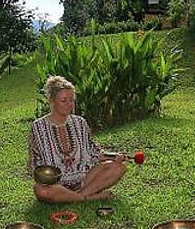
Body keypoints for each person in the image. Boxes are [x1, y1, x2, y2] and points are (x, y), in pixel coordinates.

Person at [28, 75, 126, 203]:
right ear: (51, 100)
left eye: (72, 100)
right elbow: (34, 162)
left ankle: (77, 197)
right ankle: (87, 197)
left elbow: (94, 152)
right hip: (56, 186)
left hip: (85, 180)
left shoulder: (80, 122)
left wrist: (113, 156)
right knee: (41, 190)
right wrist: (39, 172)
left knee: (118, 167)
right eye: (64, 100)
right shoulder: (38, 126)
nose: (69, 104)